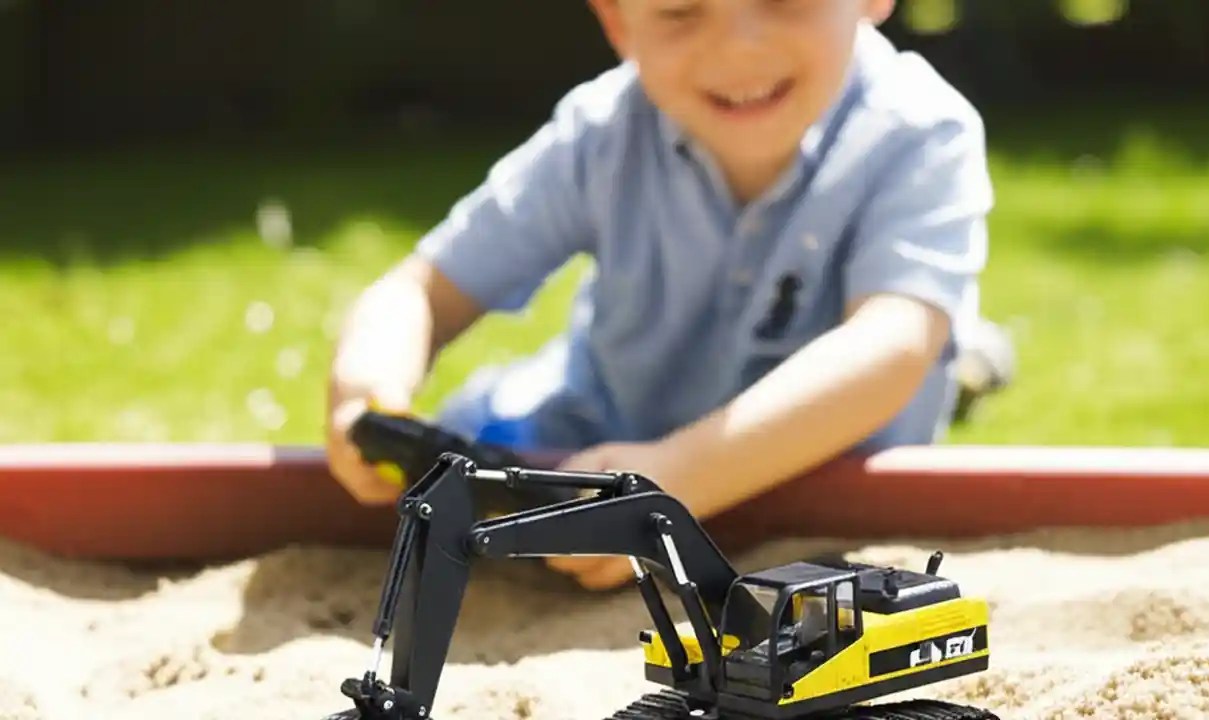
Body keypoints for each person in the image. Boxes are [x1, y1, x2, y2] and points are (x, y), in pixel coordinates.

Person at [326, 0, 998, 591]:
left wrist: (681, 478)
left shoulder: (920, 132)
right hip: (604, 428)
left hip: (822, 465)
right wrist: (366, 387)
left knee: (920, 327)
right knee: (475, 438)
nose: (739, 46)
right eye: (679, 10)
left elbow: (890, 350)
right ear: (618, 20)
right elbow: (421, 289)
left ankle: (966, 352)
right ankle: (969, 351)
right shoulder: (601, 135)